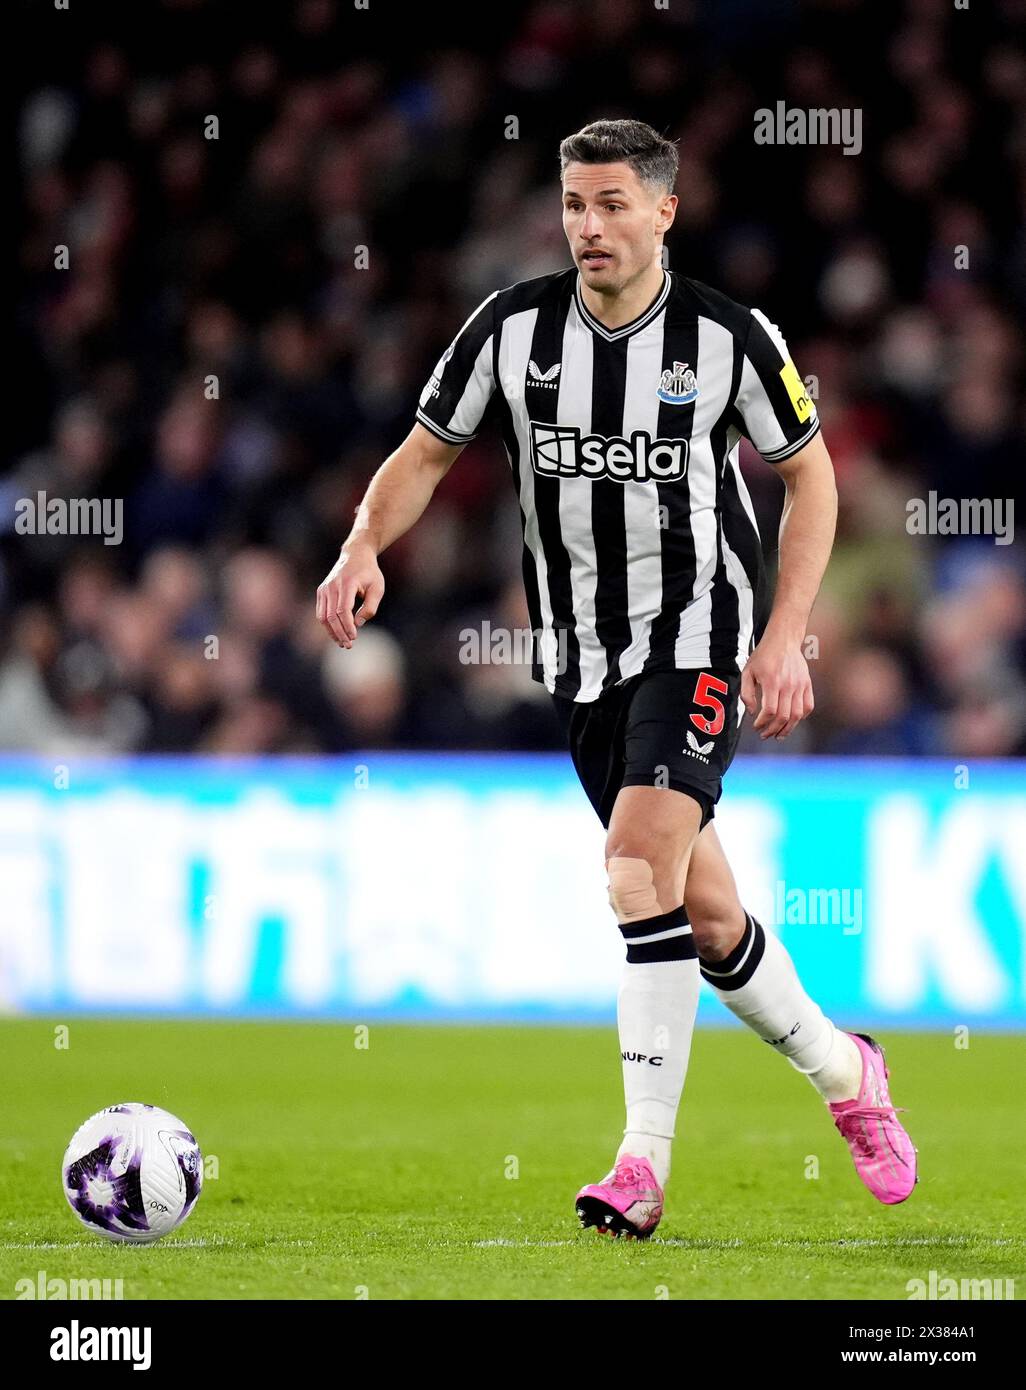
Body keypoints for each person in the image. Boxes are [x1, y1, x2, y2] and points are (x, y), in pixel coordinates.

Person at [316, 118, 917, 1239]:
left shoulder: (730, 339)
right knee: (705, 908)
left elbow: (813, 481)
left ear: (663, 212)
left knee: (635, 863)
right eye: (574, 206)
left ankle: (640, 1165)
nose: (588, 226)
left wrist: (783, 637)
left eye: (610, 205)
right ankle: (849, 1076)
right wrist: (362, 543)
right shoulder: (512, 328)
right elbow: (426, 452)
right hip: (579, 660)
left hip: (699, 638)